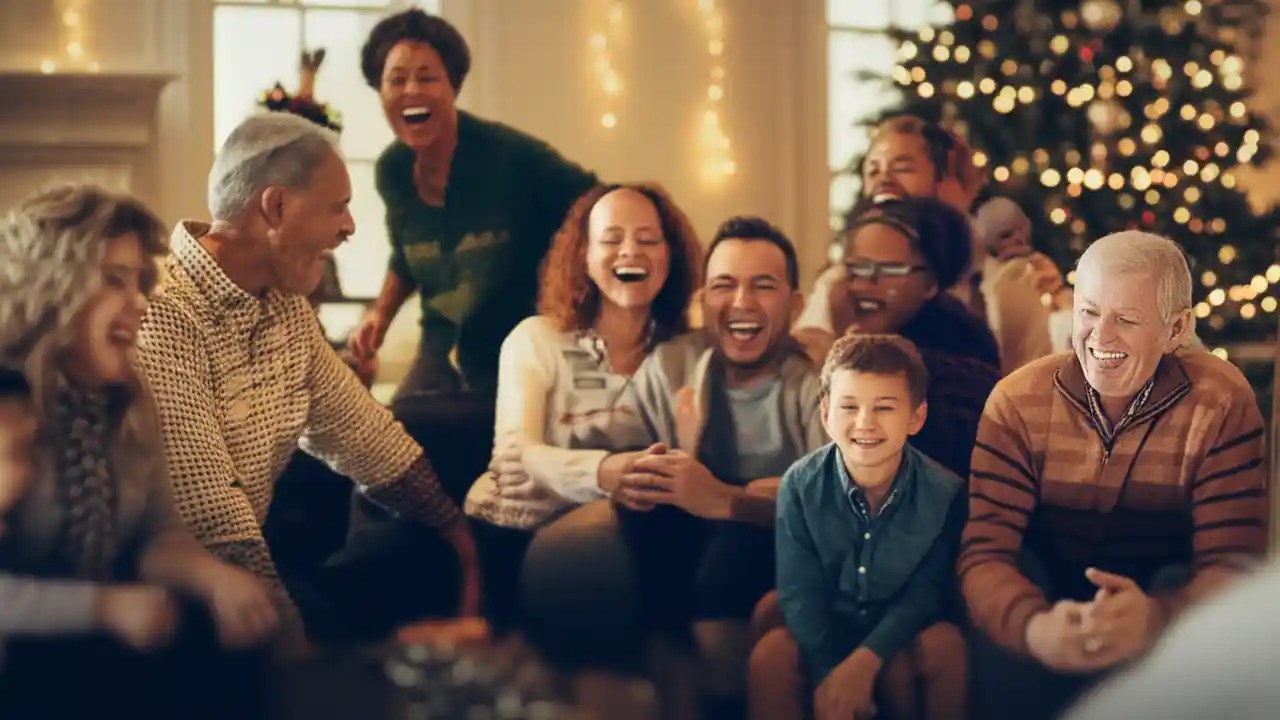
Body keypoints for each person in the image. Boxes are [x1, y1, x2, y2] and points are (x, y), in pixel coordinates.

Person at [135, 112, 479, 643]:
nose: (349, 227)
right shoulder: (163, 311)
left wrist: (456, 535)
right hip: (176, 593)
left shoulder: (286, 307)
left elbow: (366, 436)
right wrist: (296, 654)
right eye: (337, 207)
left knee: (417, 554)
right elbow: (213, 523)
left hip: (255, 569)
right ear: (274, 207)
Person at [959, 230, 1270, 719]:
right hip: (1044, 599)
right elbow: (985, 553)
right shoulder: (1015, 401)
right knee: (1017, 575)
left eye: (1126, 319)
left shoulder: (1221, 401)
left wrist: (1158, 618)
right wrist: (1032, 627)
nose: (1100, 337)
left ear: (1176, 329)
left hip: (1165, 601)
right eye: (1088, 312)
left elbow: (1234, 563)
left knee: (1183, 585)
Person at [528, 217, 827, 718]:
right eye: (724, 285)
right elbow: (626, 453)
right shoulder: (672, 366)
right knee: (645, 519)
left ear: (794, 305)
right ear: (703, 299)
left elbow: (835, 505)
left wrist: (726, 499)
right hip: (676, 548)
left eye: (764, 286)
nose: (742, 303)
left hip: (773, 551)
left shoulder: (814, 385)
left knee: (731, 545)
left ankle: (719, 694)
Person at [0, 186, 278, 714]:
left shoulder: (129, 398)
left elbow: (155, 532)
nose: (140, 302)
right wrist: (101, 607)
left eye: (140, 282)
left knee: (228, 649)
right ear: (49, 285)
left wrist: (217, 579)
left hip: (96, 649)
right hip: (22, 654)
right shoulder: (6, 407)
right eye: (113, 281)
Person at [348, 8, 599, 502]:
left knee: (421, 441)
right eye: (396, 79)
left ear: (454, 86)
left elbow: (597, 206)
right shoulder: (393, 170)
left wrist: (576, 299)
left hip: (513, 352)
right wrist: (379, 315)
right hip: (440, 348)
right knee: (382, 462)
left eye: (427, 77)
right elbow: (408, 253)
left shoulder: (513, 157)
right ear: (380, 92)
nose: (411, 91)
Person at [463, 183, 701, 631]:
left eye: (649, 239)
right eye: (612, 239)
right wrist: (605, 474)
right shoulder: (537, 339)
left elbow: (686, 467)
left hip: (638, 533)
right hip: (519, 528)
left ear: (671, 256)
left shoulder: (687, 351)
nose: (631, 251)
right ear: (585, 256)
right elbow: (515, 459)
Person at [749, 334, 966, 720]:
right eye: (849, 406)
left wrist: (866, 663)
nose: (865, 423)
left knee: (945, 646)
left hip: (899, 631)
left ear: (916, 417)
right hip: (824, 626)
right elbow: (801, 592)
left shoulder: (945, 494)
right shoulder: (799, 485)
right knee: (771, 657)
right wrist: (833, 677)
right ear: (826, 414)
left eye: (884, 407)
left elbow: (925, 594)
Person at [807, 197, 1000, 480]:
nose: (863, 285)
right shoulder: (858, 337)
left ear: (931, 282)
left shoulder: (962, 358)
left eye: (889, 271)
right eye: (855, 268)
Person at [794, 113, 987, 362]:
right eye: (873, 171)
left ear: (943, 182)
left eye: (902, 169)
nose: (884, 180)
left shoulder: (991, 277)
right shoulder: (838, 283)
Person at [972, 195, 1068, 371]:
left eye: (1020, 230)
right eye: (1006, 235)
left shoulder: (1035, 266)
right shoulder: (1005, 279)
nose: (1018, 239)